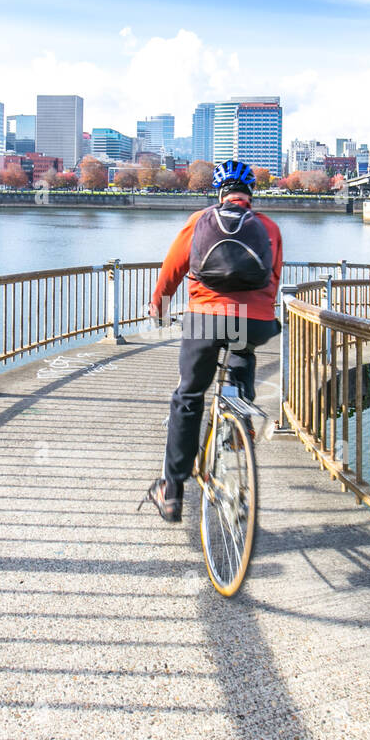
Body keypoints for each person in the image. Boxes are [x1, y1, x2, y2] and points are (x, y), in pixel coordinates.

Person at [142, 160, 283, 522]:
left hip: (206, 318)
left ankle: (171, 491)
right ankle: (240, 421)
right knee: (242, 353)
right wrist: (263, 315)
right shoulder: (268, 228)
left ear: (219, 193)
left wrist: (158, 306)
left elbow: (172, 268)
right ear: (251, 194)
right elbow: (273, 279)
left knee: (189, 395)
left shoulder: (200, 220)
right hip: (253, 322)